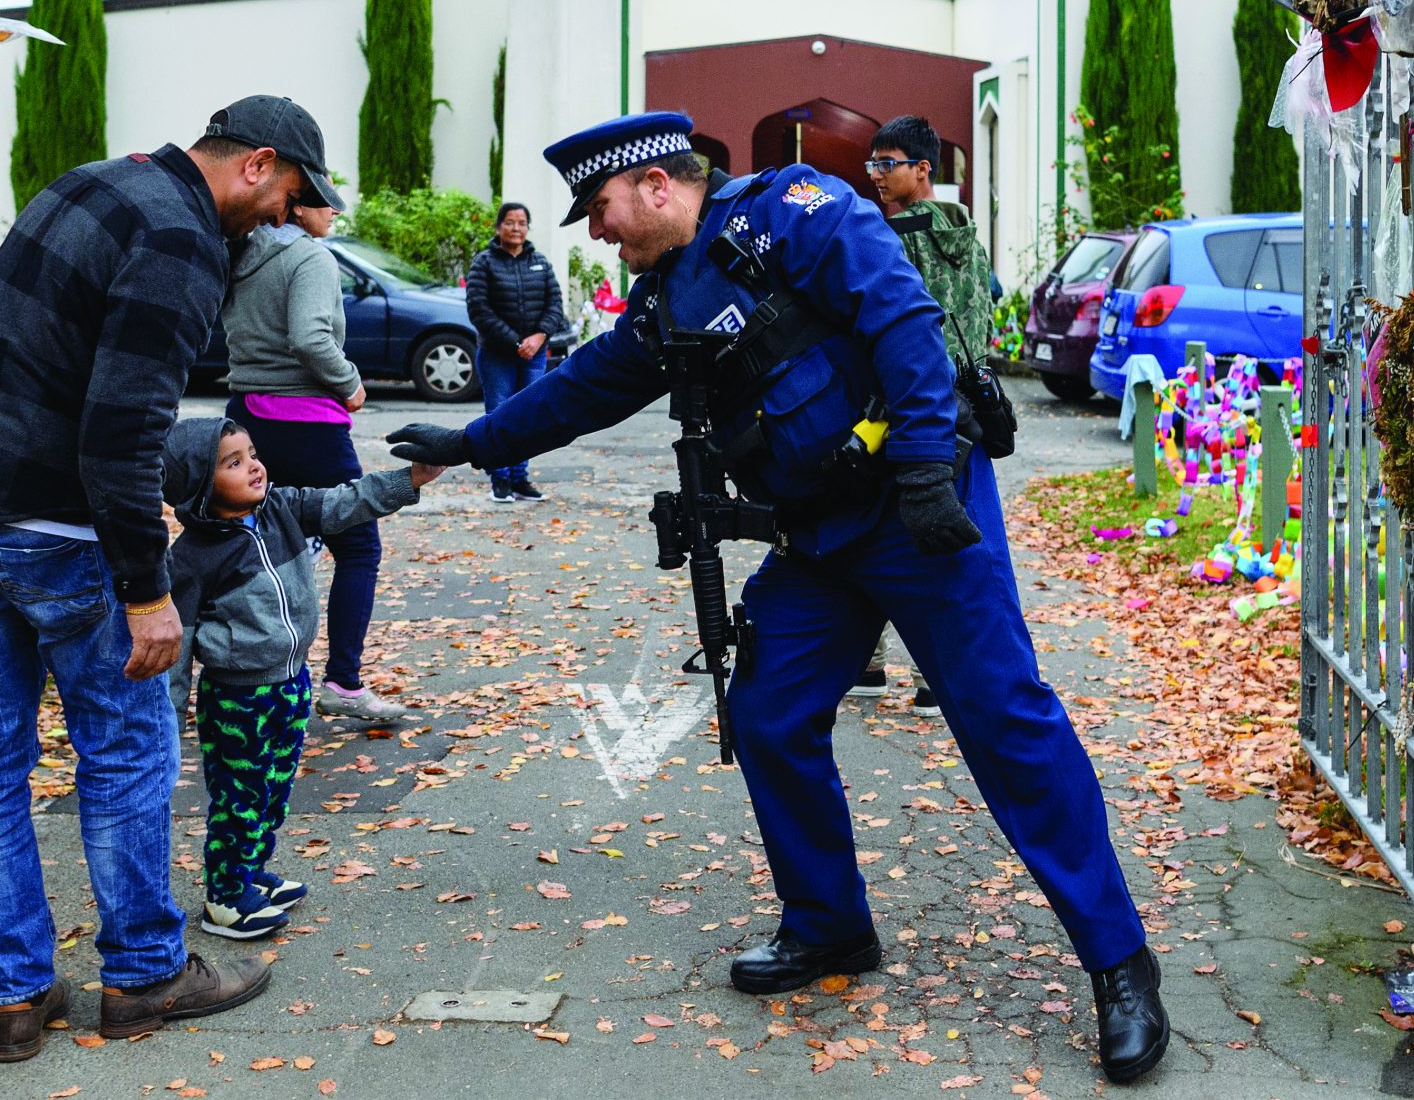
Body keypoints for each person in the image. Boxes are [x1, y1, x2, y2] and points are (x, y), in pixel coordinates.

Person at [386, 112, 1168, 1086]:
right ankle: (828, 927)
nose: (595, 231)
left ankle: (1118, 964)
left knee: (1006, 724)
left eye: (599, 208)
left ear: (658, 187)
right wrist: (470, 446)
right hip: (817, 540)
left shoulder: (797, 213)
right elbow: (582, 390)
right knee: (766, 711)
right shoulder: (666, 297)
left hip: (919, 513)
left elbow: (904, 323)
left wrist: (925, 468)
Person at [0, 95, 343, 1062]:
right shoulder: (180, 238)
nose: (280, 220)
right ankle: (144, 974)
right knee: (126, 748)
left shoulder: (90, 184)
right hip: (51, 526)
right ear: (256, 163)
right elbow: (124, 429)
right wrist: (147, 590)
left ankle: (17, 997)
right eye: (287, 198)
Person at [162, 417, 442, 939]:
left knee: (273, 791)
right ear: (200, 484)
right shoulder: (192, 560)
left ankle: (251, 874)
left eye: (251, 453)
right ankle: (225, 898)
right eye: (234, 461)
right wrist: (167, 724)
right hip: (237, 699)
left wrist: (411, 480)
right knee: (240, 798)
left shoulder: (281, 510)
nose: (254, 465)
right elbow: (176, 650)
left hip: (291, 683)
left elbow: (345, 502)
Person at [219, 197, 404, 723]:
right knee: (359, 545)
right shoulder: (312, 257)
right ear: (298, 208)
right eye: (327, 202)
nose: (336, 212)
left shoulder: (245, 253)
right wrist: (350, 383)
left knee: (252, 544)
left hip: (247, 416)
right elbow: (310, 336)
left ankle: (237, 679)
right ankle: (343, 682)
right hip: (305, 421)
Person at [850, 115, 1000, 717]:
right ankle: (928, 676)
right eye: (873, 164)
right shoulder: (968, 235)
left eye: (888, 164)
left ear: (923, 169)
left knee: (882, 533)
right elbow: (983, 313)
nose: (877, 176)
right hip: (969, 414)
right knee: (949, 540)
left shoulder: (889, 240)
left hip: (905, 412)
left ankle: (877, 663)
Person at [466, 201, 566, 502]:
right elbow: (478, 309)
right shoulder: (484, 263)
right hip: (498, 355)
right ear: (498, 227)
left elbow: (555, 305)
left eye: (522, 223)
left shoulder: (540, 262)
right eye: (510, 222)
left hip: (534, 353)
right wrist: (514, 342)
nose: (516, 228)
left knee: (528, 415)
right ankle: (500, 478)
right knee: (499, 415)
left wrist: (538, 337)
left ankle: (520, 478)